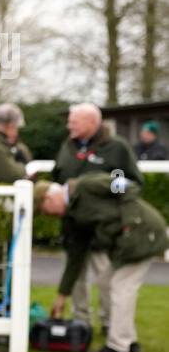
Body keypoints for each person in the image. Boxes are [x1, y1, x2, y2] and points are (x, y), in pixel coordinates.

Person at [38, 174, 167, 352]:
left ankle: (117, 348)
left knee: (121, 287)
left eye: (44, 210)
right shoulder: (72, 217)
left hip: (144, 233)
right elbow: (76, 257)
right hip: (126, 245)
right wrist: (61, 296)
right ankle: (129, 341)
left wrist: (129, 224)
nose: (48, 215)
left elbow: (126, 185)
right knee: (106, 282)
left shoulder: (87, 185)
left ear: (49, 198)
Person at [53, 103, 144, 335]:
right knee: (77, 280)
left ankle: (110, 324)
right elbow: (58, 177)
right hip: (74, 229)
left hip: (104, 231)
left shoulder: (117, 148)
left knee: (107, 281)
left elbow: (133, 184)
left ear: (92, 123)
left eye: (74, 121)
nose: (69, 125)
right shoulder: (67, 146)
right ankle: (81, 324)